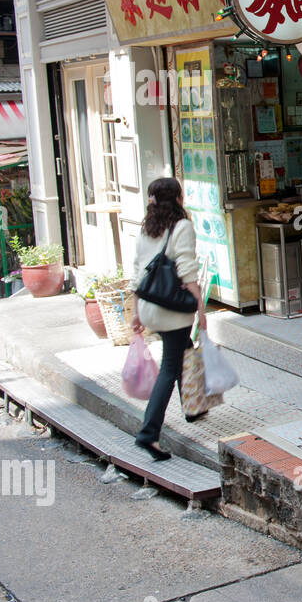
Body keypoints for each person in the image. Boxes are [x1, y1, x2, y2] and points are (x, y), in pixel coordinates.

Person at [128, 178, 208, 461]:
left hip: (151, 306)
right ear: (177, 198)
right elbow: (187, 272)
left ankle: (193, 406)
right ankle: (149, 434)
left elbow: (138, 274)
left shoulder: (146, 229)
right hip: (173, 308)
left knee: (183, 351)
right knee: (171, 367)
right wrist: (200, 309)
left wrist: (137, 313)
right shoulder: (181, 227)